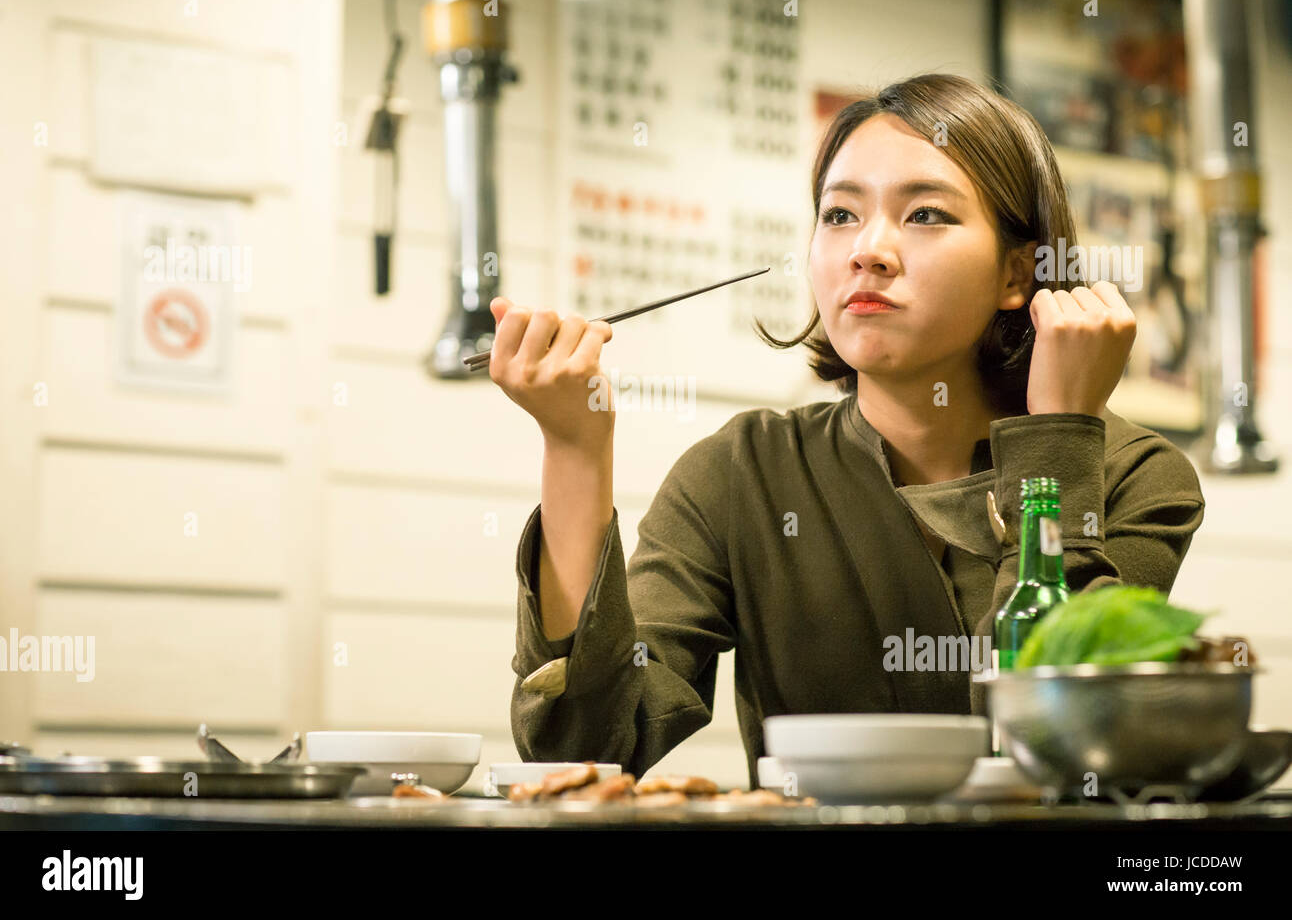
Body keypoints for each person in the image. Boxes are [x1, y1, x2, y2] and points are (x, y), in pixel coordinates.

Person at [487, 73, 1205, 786]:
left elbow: (1059, 738)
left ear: (1018, 271)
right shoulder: (744, 472)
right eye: (839, 215)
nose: (870, 249)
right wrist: (575, 449)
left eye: (925, 215)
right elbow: (584, 750)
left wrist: (1060, 436)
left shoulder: (1132, 474)